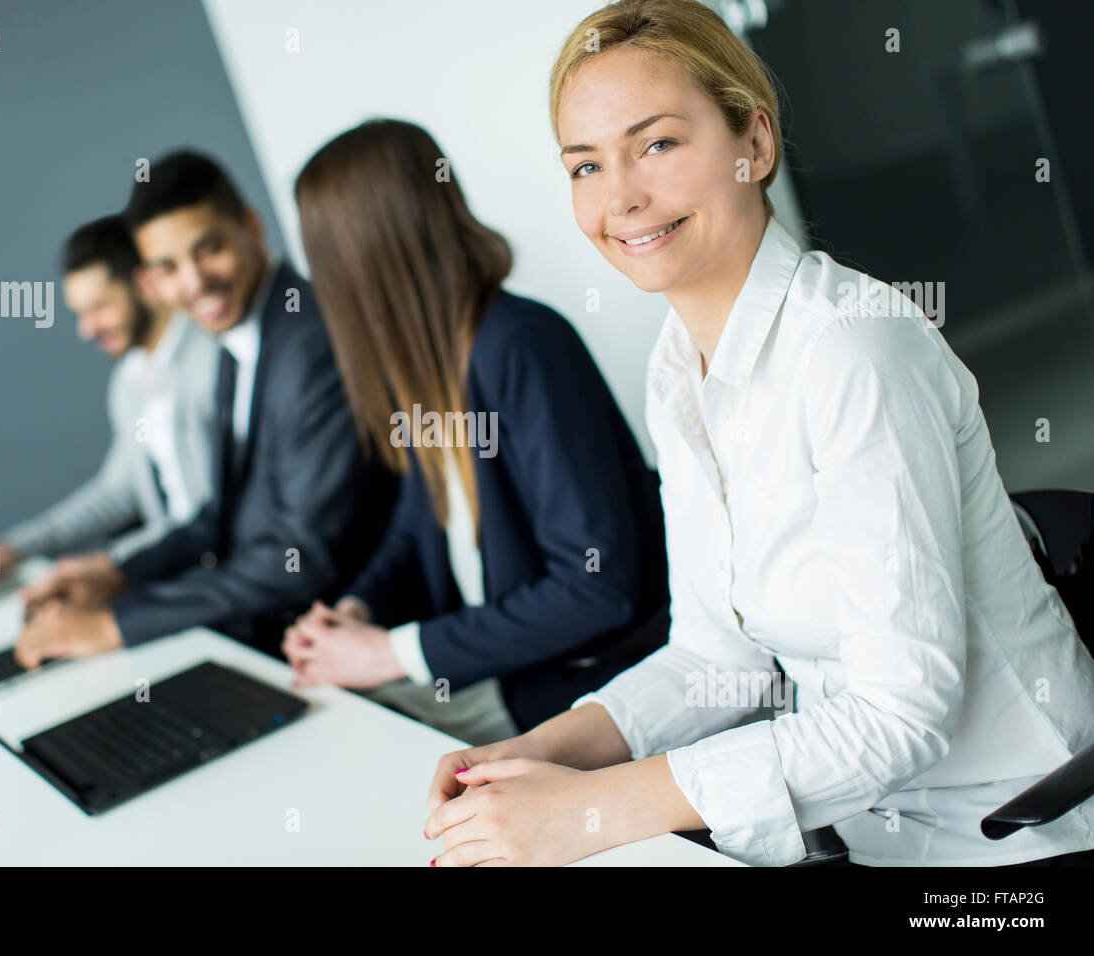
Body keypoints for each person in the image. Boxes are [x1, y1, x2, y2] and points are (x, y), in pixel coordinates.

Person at [423, 0, 1094, 866]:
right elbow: (715, 651)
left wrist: (595, 810)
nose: (620, 195)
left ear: (755, 146)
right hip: (869, 822)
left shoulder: (853, 347)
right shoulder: (679, 367)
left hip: (1015, 835)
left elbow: (901, 716)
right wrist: (538, 754)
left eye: (657, 144)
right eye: (585, 165)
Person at [282, 119, 669, 746]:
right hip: (502, 678)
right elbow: (417, 526)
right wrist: (355, 613)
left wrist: (391, 655)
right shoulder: (431, 365)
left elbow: (595, 588)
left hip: (570, 695)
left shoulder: (522, 345)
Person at [13, 151, 394, 665]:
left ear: (251, 229)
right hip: (281, 639)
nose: (193, 283)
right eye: (169, 268)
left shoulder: (309, 343)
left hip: (351, 648)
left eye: (209, 249)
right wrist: (119, 574)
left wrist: (116, 624)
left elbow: (301, 555)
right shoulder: (237, 340)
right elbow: (222, 514)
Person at [0, 215, 219, 593]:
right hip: (179, 581)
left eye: (100, 307)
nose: (86, 329)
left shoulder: (212, 361)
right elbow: (116, 493)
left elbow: (210, 516)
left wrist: (110, 566)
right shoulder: (130, 381)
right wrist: (15, 549)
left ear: (146, 285)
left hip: (219, 583)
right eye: (81, 313)